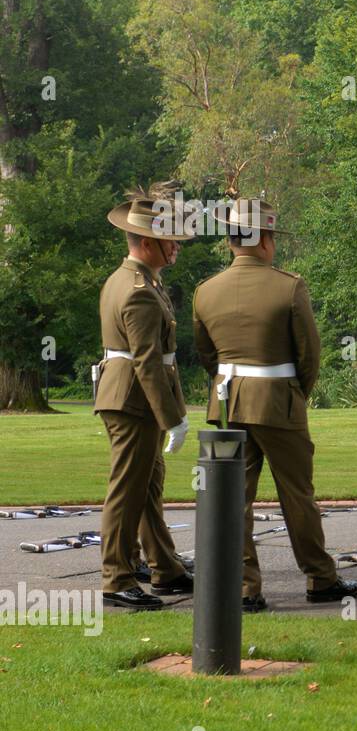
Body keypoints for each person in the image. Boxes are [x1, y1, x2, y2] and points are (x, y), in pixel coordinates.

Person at [193, 198, 357, 612]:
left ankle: (244, 587)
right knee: (298, 495)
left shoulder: (205, 291)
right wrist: (295, 392)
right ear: (265, 239)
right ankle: (320, 577)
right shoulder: (289, 286)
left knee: (233, 499)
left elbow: (206, 356)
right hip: (278, 402)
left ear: (232, 241)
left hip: (228, 404)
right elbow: (310, 356)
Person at [94, 184, 196, 609]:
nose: (176, 247)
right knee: (128, 489)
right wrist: (173, 417)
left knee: (147, 487)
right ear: (148, 241)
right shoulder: (137, 289)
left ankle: (164, 567)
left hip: (131, 397)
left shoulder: (133, 279)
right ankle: (117, 578)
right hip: (133, 400)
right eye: (170, 239)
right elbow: (148, 362)